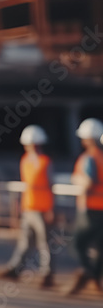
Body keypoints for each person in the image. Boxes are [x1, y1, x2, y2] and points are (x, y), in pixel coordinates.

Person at [0, 124, 54, 287]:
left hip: (43, 208)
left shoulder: (45, 162)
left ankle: (47, 273)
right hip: (28, 207)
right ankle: (15, 268)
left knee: (44, 243)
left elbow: (50, 185)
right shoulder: (25, 161)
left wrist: (51, 209)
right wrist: (20, 207)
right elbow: (26, 186)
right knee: (25, 241)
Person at [66, 117, 103, 295]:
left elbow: (89, 182)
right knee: (100, 246)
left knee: (78, 245)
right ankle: (95, 279)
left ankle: (88, 273)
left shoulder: (89, 158)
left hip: (90, 208)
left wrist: (76, 179)